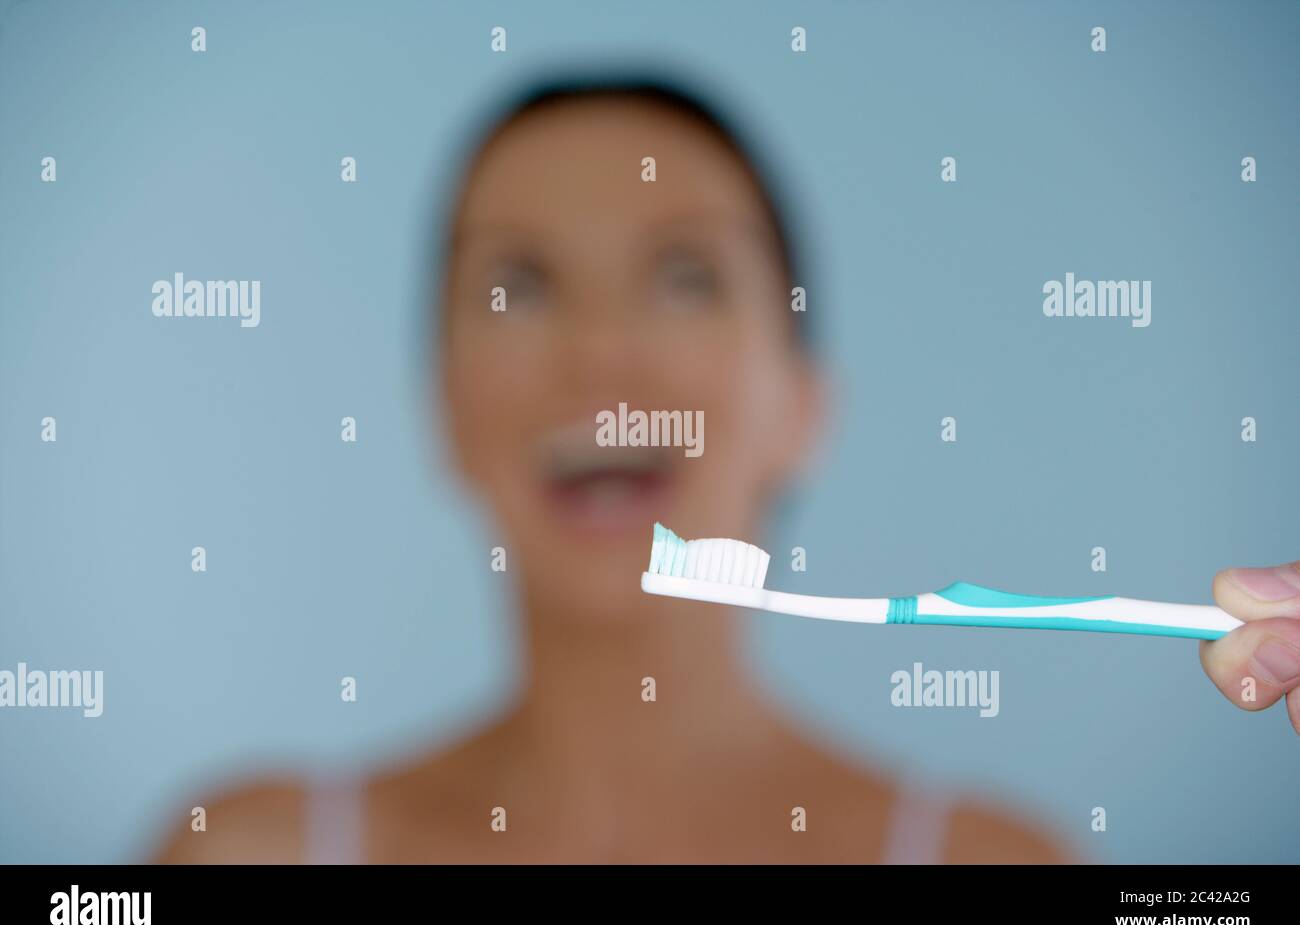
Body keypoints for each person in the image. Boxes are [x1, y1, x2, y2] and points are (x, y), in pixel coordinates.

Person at [153, 76, 1300, 865]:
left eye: (686, 276)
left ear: (804, 407)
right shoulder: (245, 852)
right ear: (442, 409)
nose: (599, 350)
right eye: (518, 285)